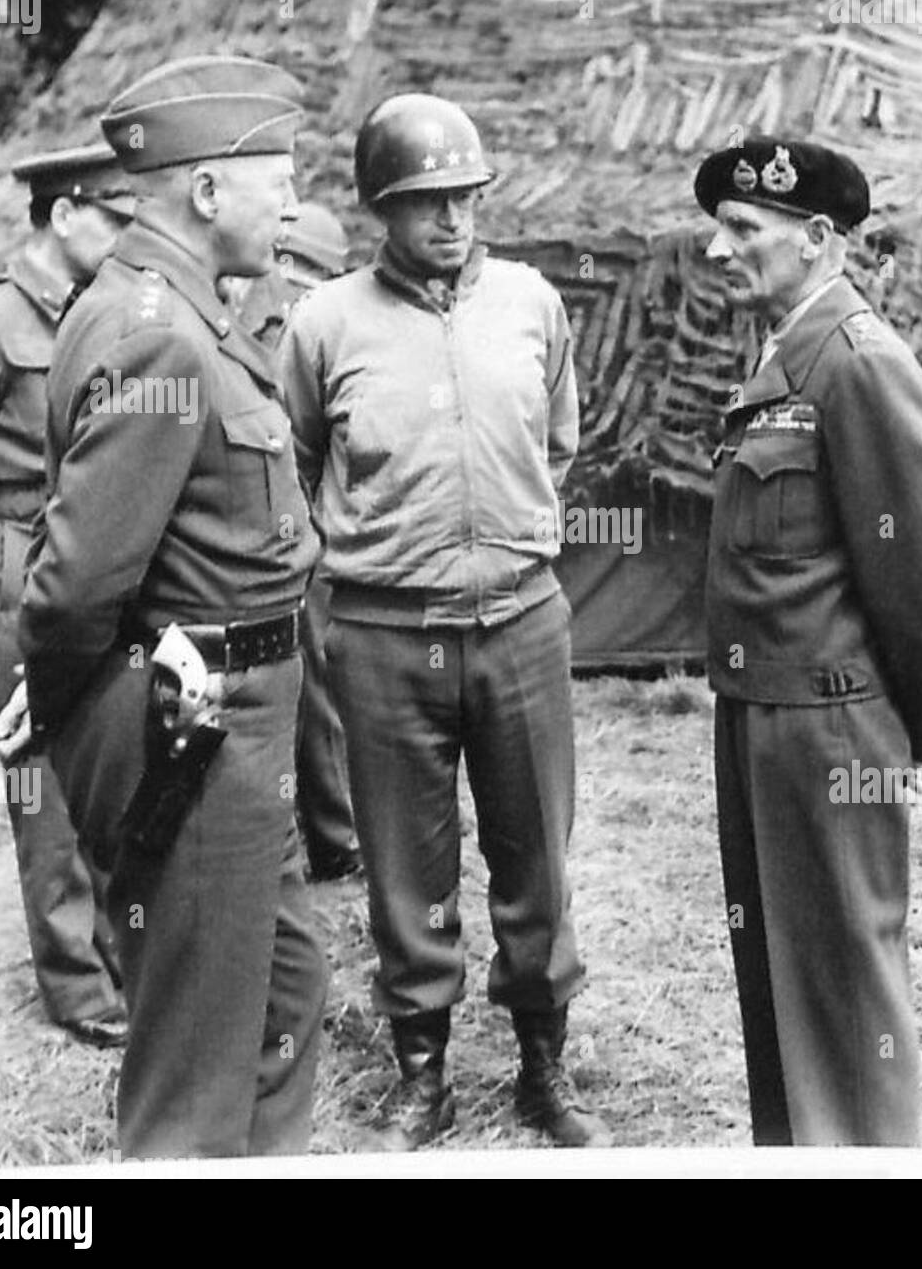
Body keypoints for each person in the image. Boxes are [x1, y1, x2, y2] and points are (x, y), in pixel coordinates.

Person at [0, 55, 329, 1159]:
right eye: (277, 176)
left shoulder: (179, 309)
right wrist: (54, 697)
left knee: (281, 989)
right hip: (195, 727)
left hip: (242, 725)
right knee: (195, 1055)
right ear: (207, 190)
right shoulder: (160, 334)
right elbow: (84, 579)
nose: (292, 200)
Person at [280, 93, 608, 1150]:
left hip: (521, 619)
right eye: (427, 202)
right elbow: (295, 468)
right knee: (404, 862)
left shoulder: (529, 303)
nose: (453, 219)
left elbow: (559, 441)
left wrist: (503, 538)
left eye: (467, 197)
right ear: (382, 206)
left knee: (536, 857)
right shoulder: (325, 323)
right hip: (382, 634)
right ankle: (423, 1073)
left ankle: (541, 1066)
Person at [694, 137, 922, 1145]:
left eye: (743, 231)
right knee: (781, 986)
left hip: (832, 736)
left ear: (818, 239)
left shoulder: (858, 366)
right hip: (763, 727)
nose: (718, 251)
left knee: (848, 1006)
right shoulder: (784, 355)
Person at [0, 143, 135, 1048]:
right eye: (111, 218)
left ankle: (119, 950)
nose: (123, 237)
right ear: (63, 215)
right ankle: (76, 986)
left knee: (106, 762)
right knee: (43, 783)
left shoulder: (95, 313)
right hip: (23, 557)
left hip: (93, 555)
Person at [227, 203, 361, 883]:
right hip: (275, 528)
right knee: (304, 685)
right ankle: (328, 835)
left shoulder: (295, 322)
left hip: (303, 527)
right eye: (298, 269)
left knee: (317, 683)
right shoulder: (251, 321)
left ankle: (331, 832)